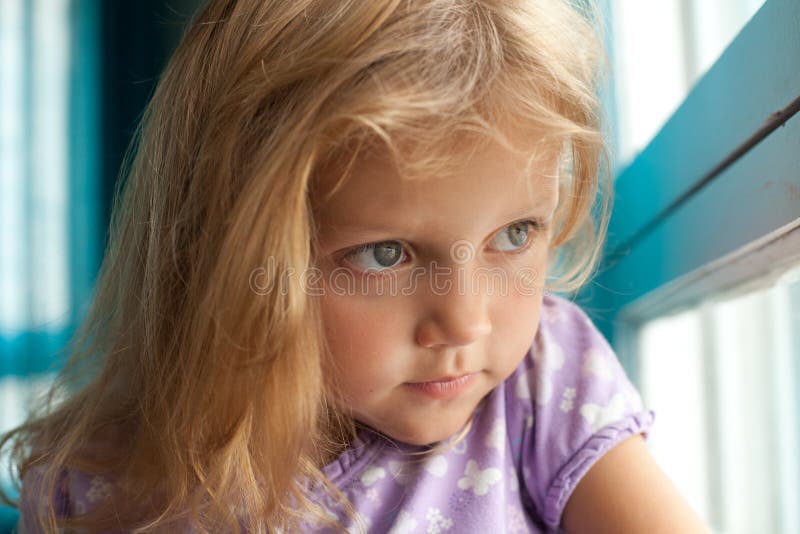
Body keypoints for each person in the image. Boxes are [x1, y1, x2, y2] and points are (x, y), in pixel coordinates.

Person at [1, 0, 710, 532]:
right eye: (386, 254)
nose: (465, 319)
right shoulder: (101, 487)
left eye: (515, 233)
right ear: (224, 253)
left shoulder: (542, 381)